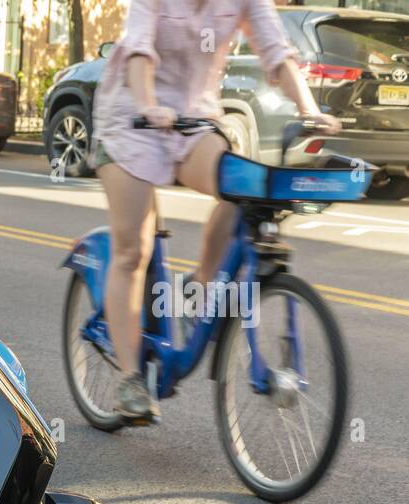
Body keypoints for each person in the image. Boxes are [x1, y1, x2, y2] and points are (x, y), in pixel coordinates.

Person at [90, 0, 340, 423]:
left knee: (238, 190)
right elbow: (138, 50)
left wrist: (309, 109)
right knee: (133, 249)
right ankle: (132, 378)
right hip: (131, 118)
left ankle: (201, 287)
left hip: (193, 122)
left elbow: (276, 52)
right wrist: (149, 105)